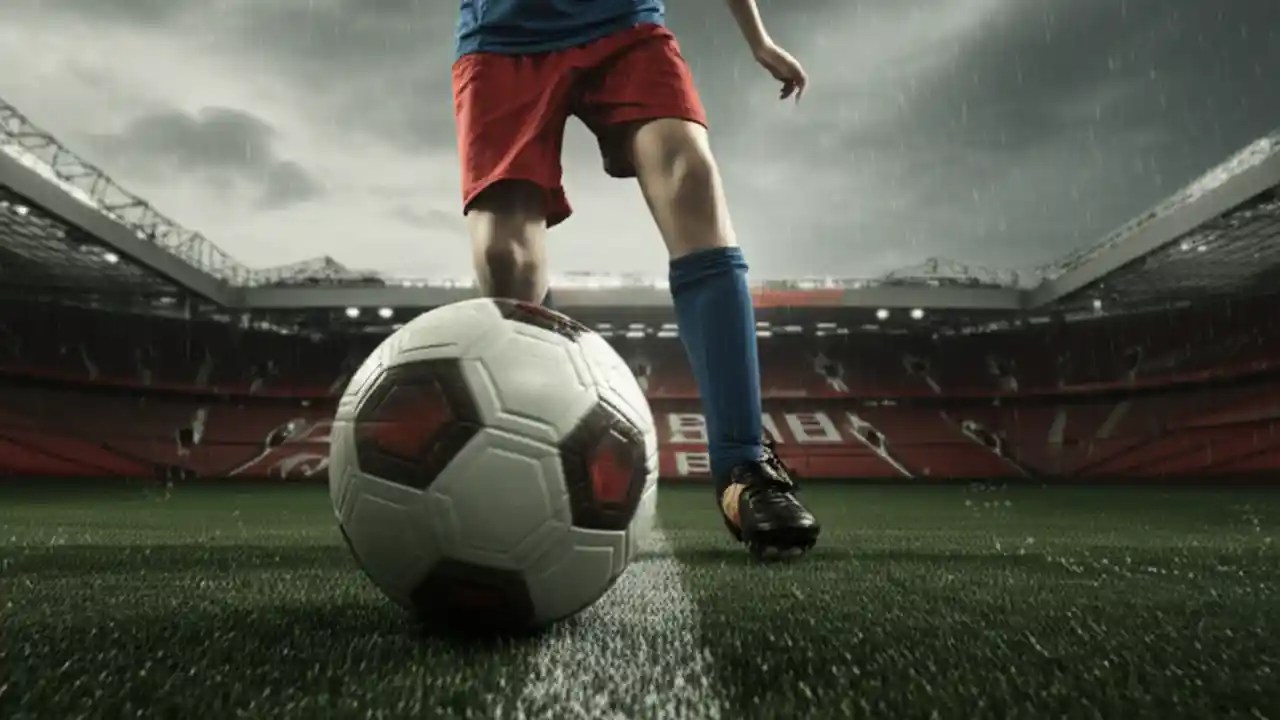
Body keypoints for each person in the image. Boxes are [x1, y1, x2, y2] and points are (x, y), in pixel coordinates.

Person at [452, 0, 820, 557]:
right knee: (507, 260)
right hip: (503, 35)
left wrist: (759, 39)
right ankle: (529, 465)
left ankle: (745, 469)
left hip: (623, 22)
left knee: (689, 174)